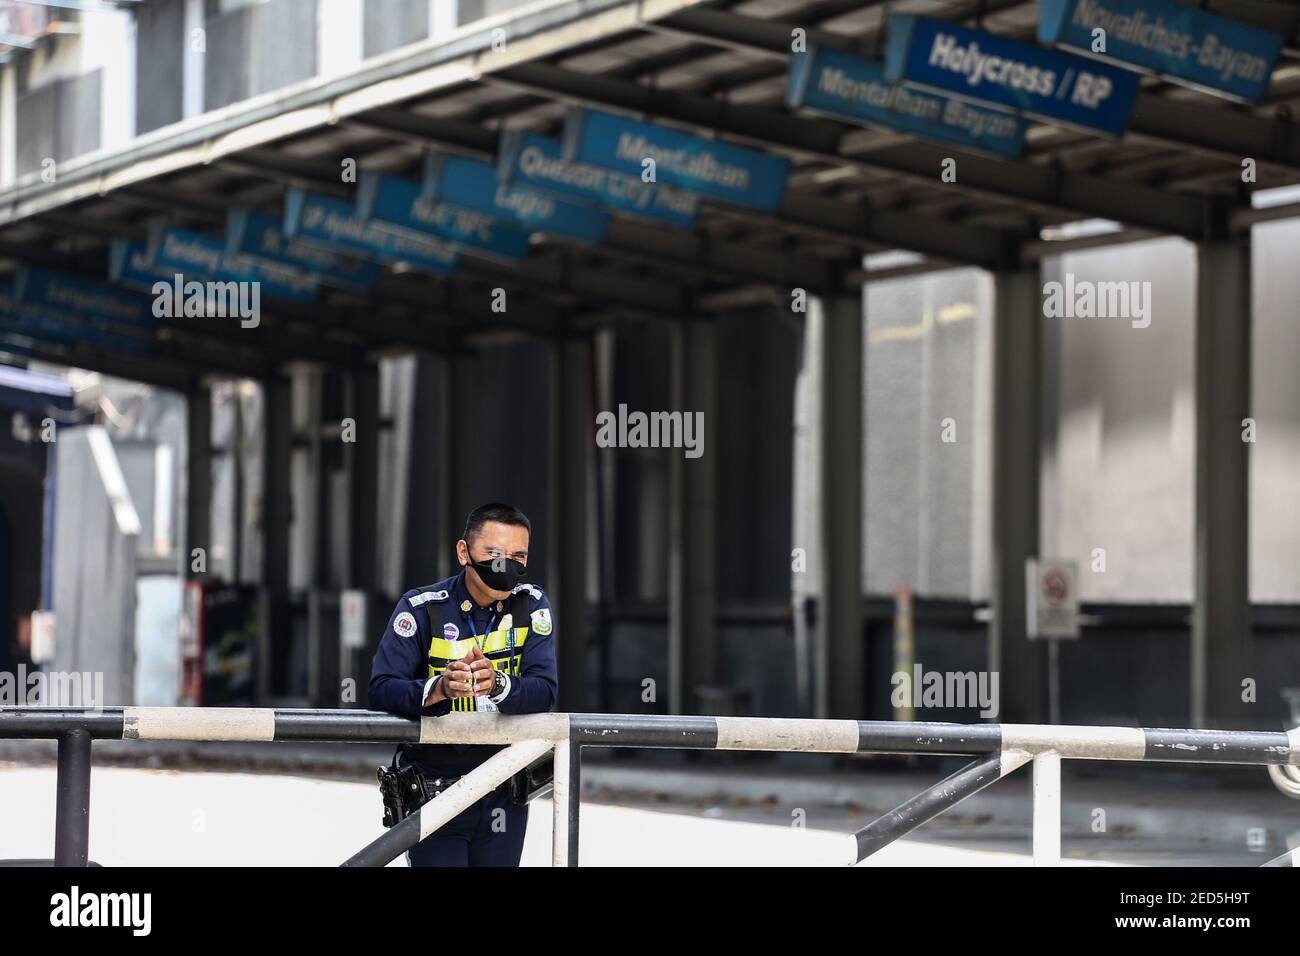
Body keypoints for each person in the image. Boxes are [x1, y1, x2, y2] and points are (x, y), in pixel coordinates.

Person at [369, 502, 558, 866]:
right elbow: (381, 687)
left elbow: (545, 690)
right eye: (494, 554)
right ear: (463, 552)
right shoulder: (422, 607)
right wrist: (437, 689)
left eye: (519, 556)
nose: (507, 566)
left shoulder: (531, 604)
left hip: (504, 788)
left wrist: (500, 684)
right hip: (433, 789)